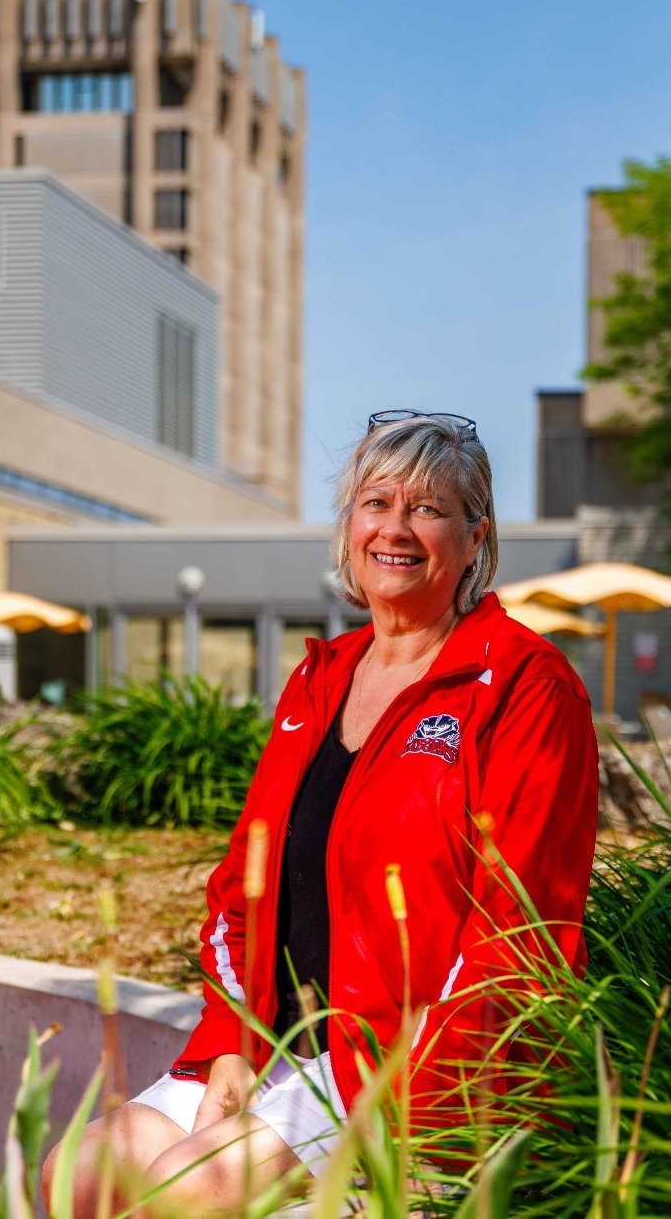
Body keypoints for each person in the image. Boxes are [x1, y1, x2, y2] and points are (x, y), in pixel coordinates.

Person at [47, 411, 599, 1215]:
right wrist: (233, 1043)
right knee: (82, 1171)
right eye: (377, 503)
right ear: (349, 525)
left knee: (185, 1191)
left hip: (395, 1067)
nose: (396, 529)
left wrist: (416, 1114)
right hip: (273, 1043)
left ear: (474, 537)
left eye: (427, 508)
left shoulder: (523, 686)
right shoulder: (320, 679)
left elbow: (521, 933)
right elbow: (241, 888)